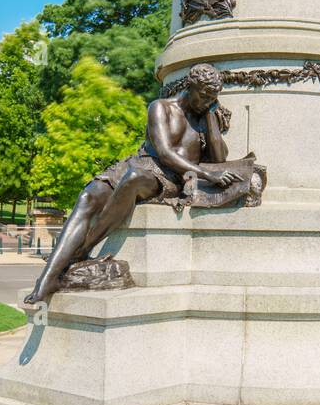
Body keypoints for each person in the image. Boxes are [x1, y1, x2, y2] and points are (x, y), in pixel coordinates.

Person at [23, 64, 263, 305]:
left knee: (134, 180)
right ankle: (47, 279)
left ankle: (79, 252)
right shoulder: (160, 108)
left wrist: (211, 115)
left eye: (213, 98)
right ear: (190, 87)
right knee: (88, 197)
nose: (207, 102)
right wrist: (207, 175)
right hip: (142, 164)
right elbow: (164, 152)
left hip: (167, 178)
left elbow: (219, 158)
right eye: (205, 96)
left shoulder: (205, 118)